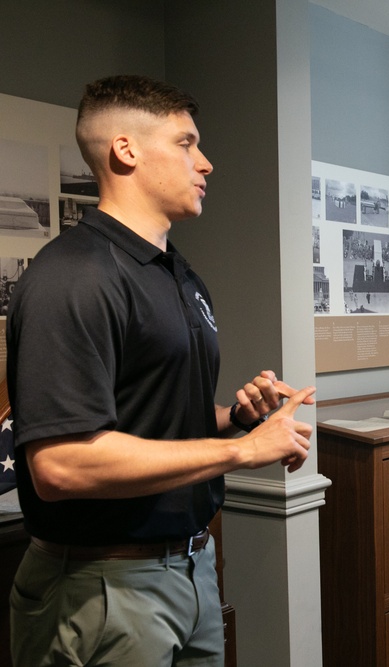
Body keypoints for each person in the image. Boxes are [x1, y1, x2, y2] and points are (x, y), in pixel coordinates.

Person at [5, 75, 315, 666]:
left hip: (191, 570)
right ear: (127, 149)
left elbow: (147, 418)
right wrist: (242, 452)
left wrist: (234, 419)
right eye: (185, 143)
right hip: (103, 586)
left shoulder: (173, 272)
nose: (206, 163)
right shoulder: (74, 276)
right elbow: (61, 466)